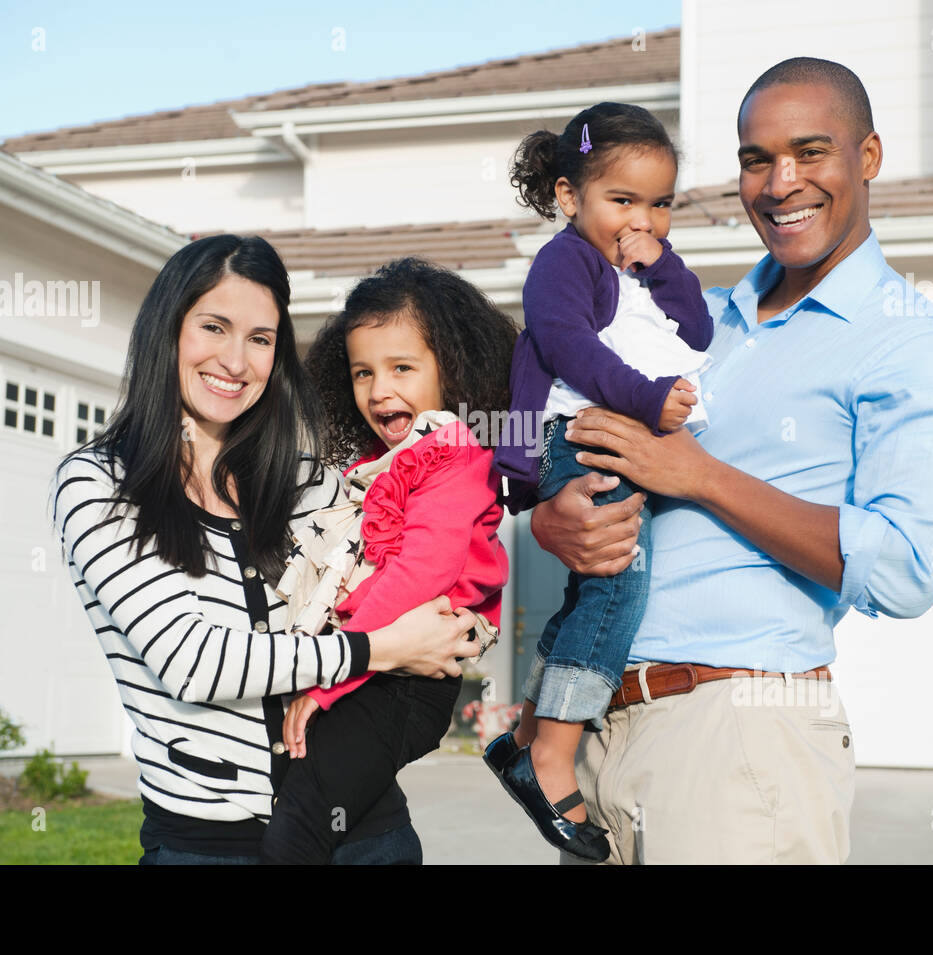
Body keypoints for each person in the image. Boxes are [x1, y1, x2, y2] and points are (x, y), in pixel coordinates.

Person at [524, 57, 933, 864]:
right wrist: (547, 520)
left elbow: (910, 568)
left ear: (867, 158)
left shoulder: (911, 345)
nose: (780, 183)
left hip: (738, 736)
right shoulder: (696, 319)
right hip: (600, 729)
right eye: (755, 159)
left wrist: (701, 477)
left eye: (811, 152)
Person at [50, 235, 479, 865]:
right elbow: (193, 664)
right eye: (213, 327)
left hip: (368, 833)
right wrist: (381, 649)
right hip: (211, 846)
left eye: (260, 338)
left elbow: (433, 564)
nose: (234, 359)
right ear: (166, 330)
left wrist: (556, 504)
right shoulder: (98, 485)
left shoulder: (308, 482)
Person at [486, 102, 712, 861]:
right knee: (619, 583)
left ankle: (522, 737)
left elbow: (698, 330)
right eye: (623, 200)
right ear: (567, 196)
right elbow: (567, 346)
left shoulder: (635, 265)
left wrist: (662, 258)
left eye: (661, 203)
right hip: (576, 432)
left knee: (594, 592)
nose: (641, 219)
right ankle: (554, 754)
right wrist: (647, 399)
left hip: (614, 434)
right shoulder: (564, 262)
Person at [259, 258, 516, 864]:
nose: (379, 390)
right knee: (330, 819)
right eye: (362, 373)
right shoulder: (386, 465)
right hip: (375, 671)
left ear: (450, 371)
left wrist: (326, 681)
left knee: (296, 828)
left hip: (401, 685)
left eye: (403, 368)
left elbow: (415, 577)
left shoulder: (455, 458)